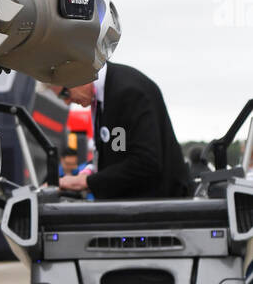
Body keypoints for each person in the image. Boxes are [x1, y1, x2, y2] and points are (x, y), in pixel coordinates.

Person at [54, 62, 190, 199]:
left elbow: (146, 162)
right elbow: (119, 154)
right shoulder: (109, 93)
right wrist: (88, 173)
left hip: (157, 205)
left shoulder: (127, 92)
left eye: (65, 93)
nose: (66, 102)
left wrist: (86, 181)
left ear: (78, 74)